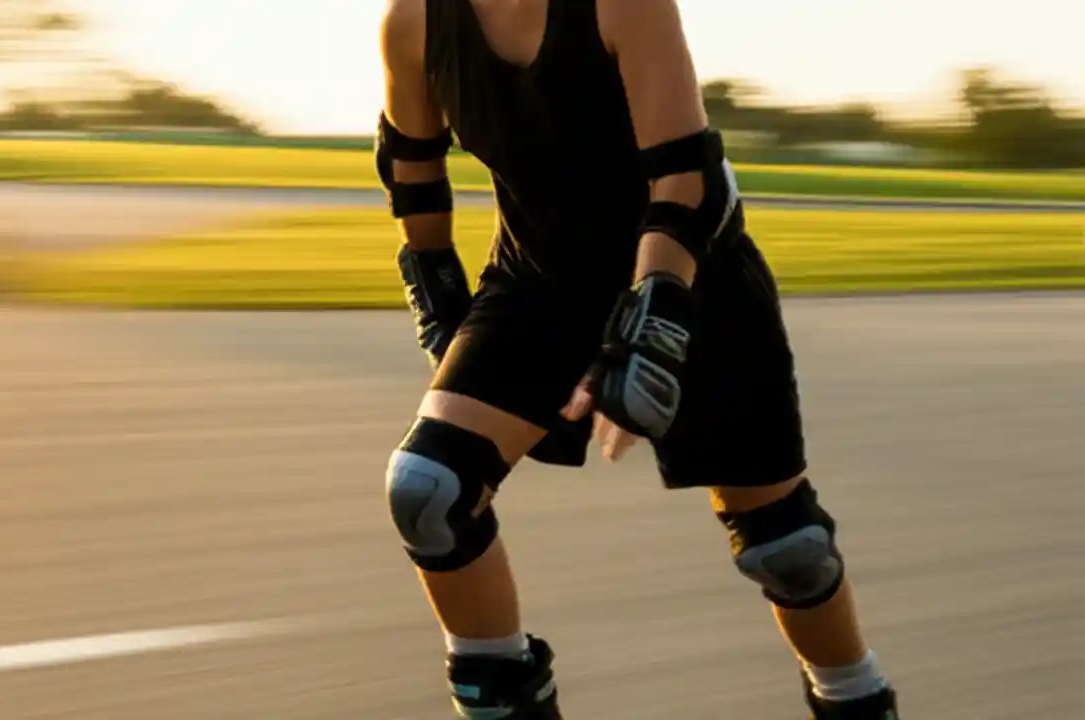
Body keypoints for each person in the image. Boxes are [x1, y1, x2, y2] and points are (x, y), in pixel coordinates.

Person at [376, 1, 900, 717]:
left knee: (788, 550)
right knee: (429, 490)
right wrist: (437, 287)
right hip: (538, 285)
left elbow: (687, 178)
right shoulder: (415, 21)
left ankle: (857, 700)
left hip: (694, 281)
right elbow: (412, 163)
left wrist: (650, 327)